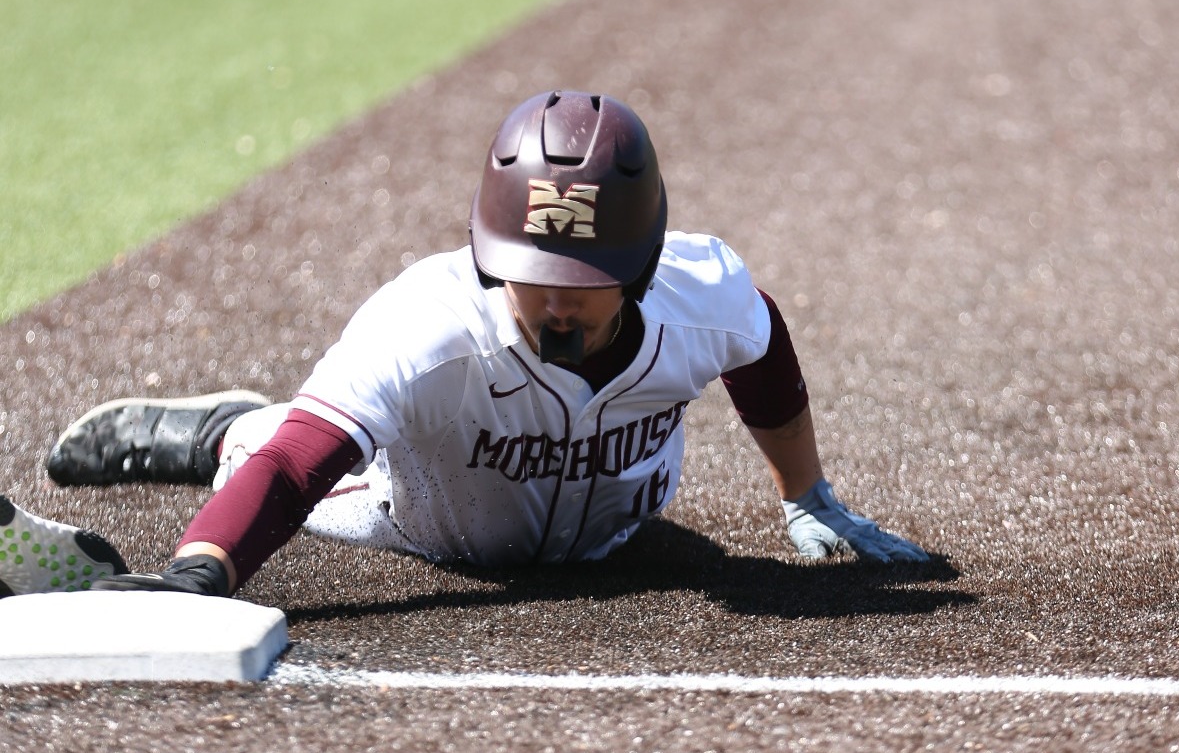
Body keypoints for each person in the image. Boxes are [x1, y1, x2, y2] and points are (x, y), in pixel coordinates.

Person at [5, 91, 928, 600]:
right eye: (533, 274)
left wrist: (806, 495)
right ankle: (219, 428)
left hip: (617, 536)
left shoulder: (704, 294)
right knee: (289, 454)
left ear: (641, 265)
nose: (555, 304)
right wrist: (200, 572)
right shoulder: (427, 323)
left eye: (583, 280)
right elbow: (296, 466)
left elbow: (761, 348)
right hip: (416, 520)